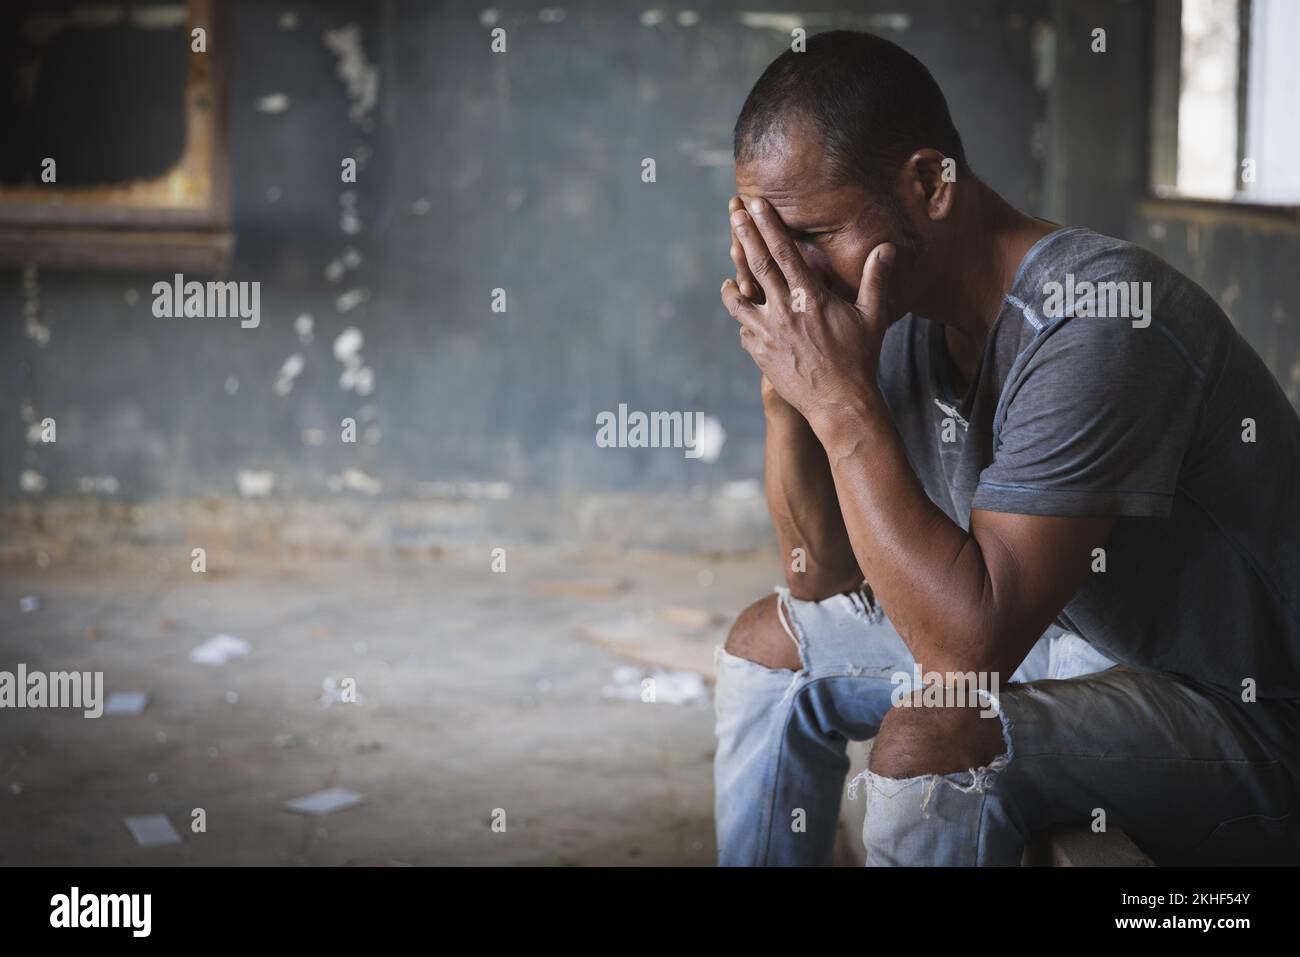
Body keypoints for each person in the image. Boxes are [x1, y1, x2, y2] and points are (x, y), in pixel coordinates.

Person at [714, 30, 1300, 866]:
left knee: (931, 752)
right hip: (1073, 641)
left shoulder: (1096, 314)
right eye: (773, 242)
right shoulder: (902, 315)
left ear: (928, 185)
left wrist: (842, 405)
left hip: (1244, 715)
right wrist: (788, 398)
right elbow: (821, 576)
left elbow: (966, 650)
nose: (794, 279)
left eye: (815, 232)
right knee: (770, 653)